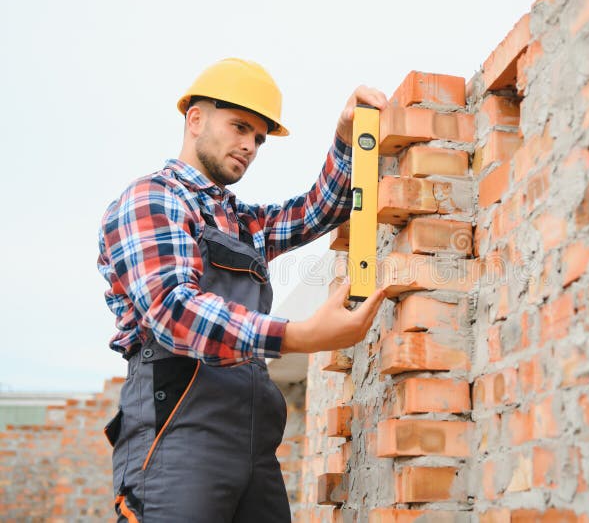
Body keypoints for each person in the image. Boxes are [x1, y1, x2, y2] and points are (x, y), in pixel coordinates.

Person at [97, 57, 387, 522]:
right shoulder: (150, 199)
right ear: (195, 119)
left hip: (253, 445)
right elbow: (175, 312)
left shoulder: (241, 224)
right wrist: (299, 336)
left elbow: (320, 210)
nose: (249, 145)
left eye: (258, 137)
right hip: (177, 440)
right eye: (238, 127)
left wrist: (346, 136)